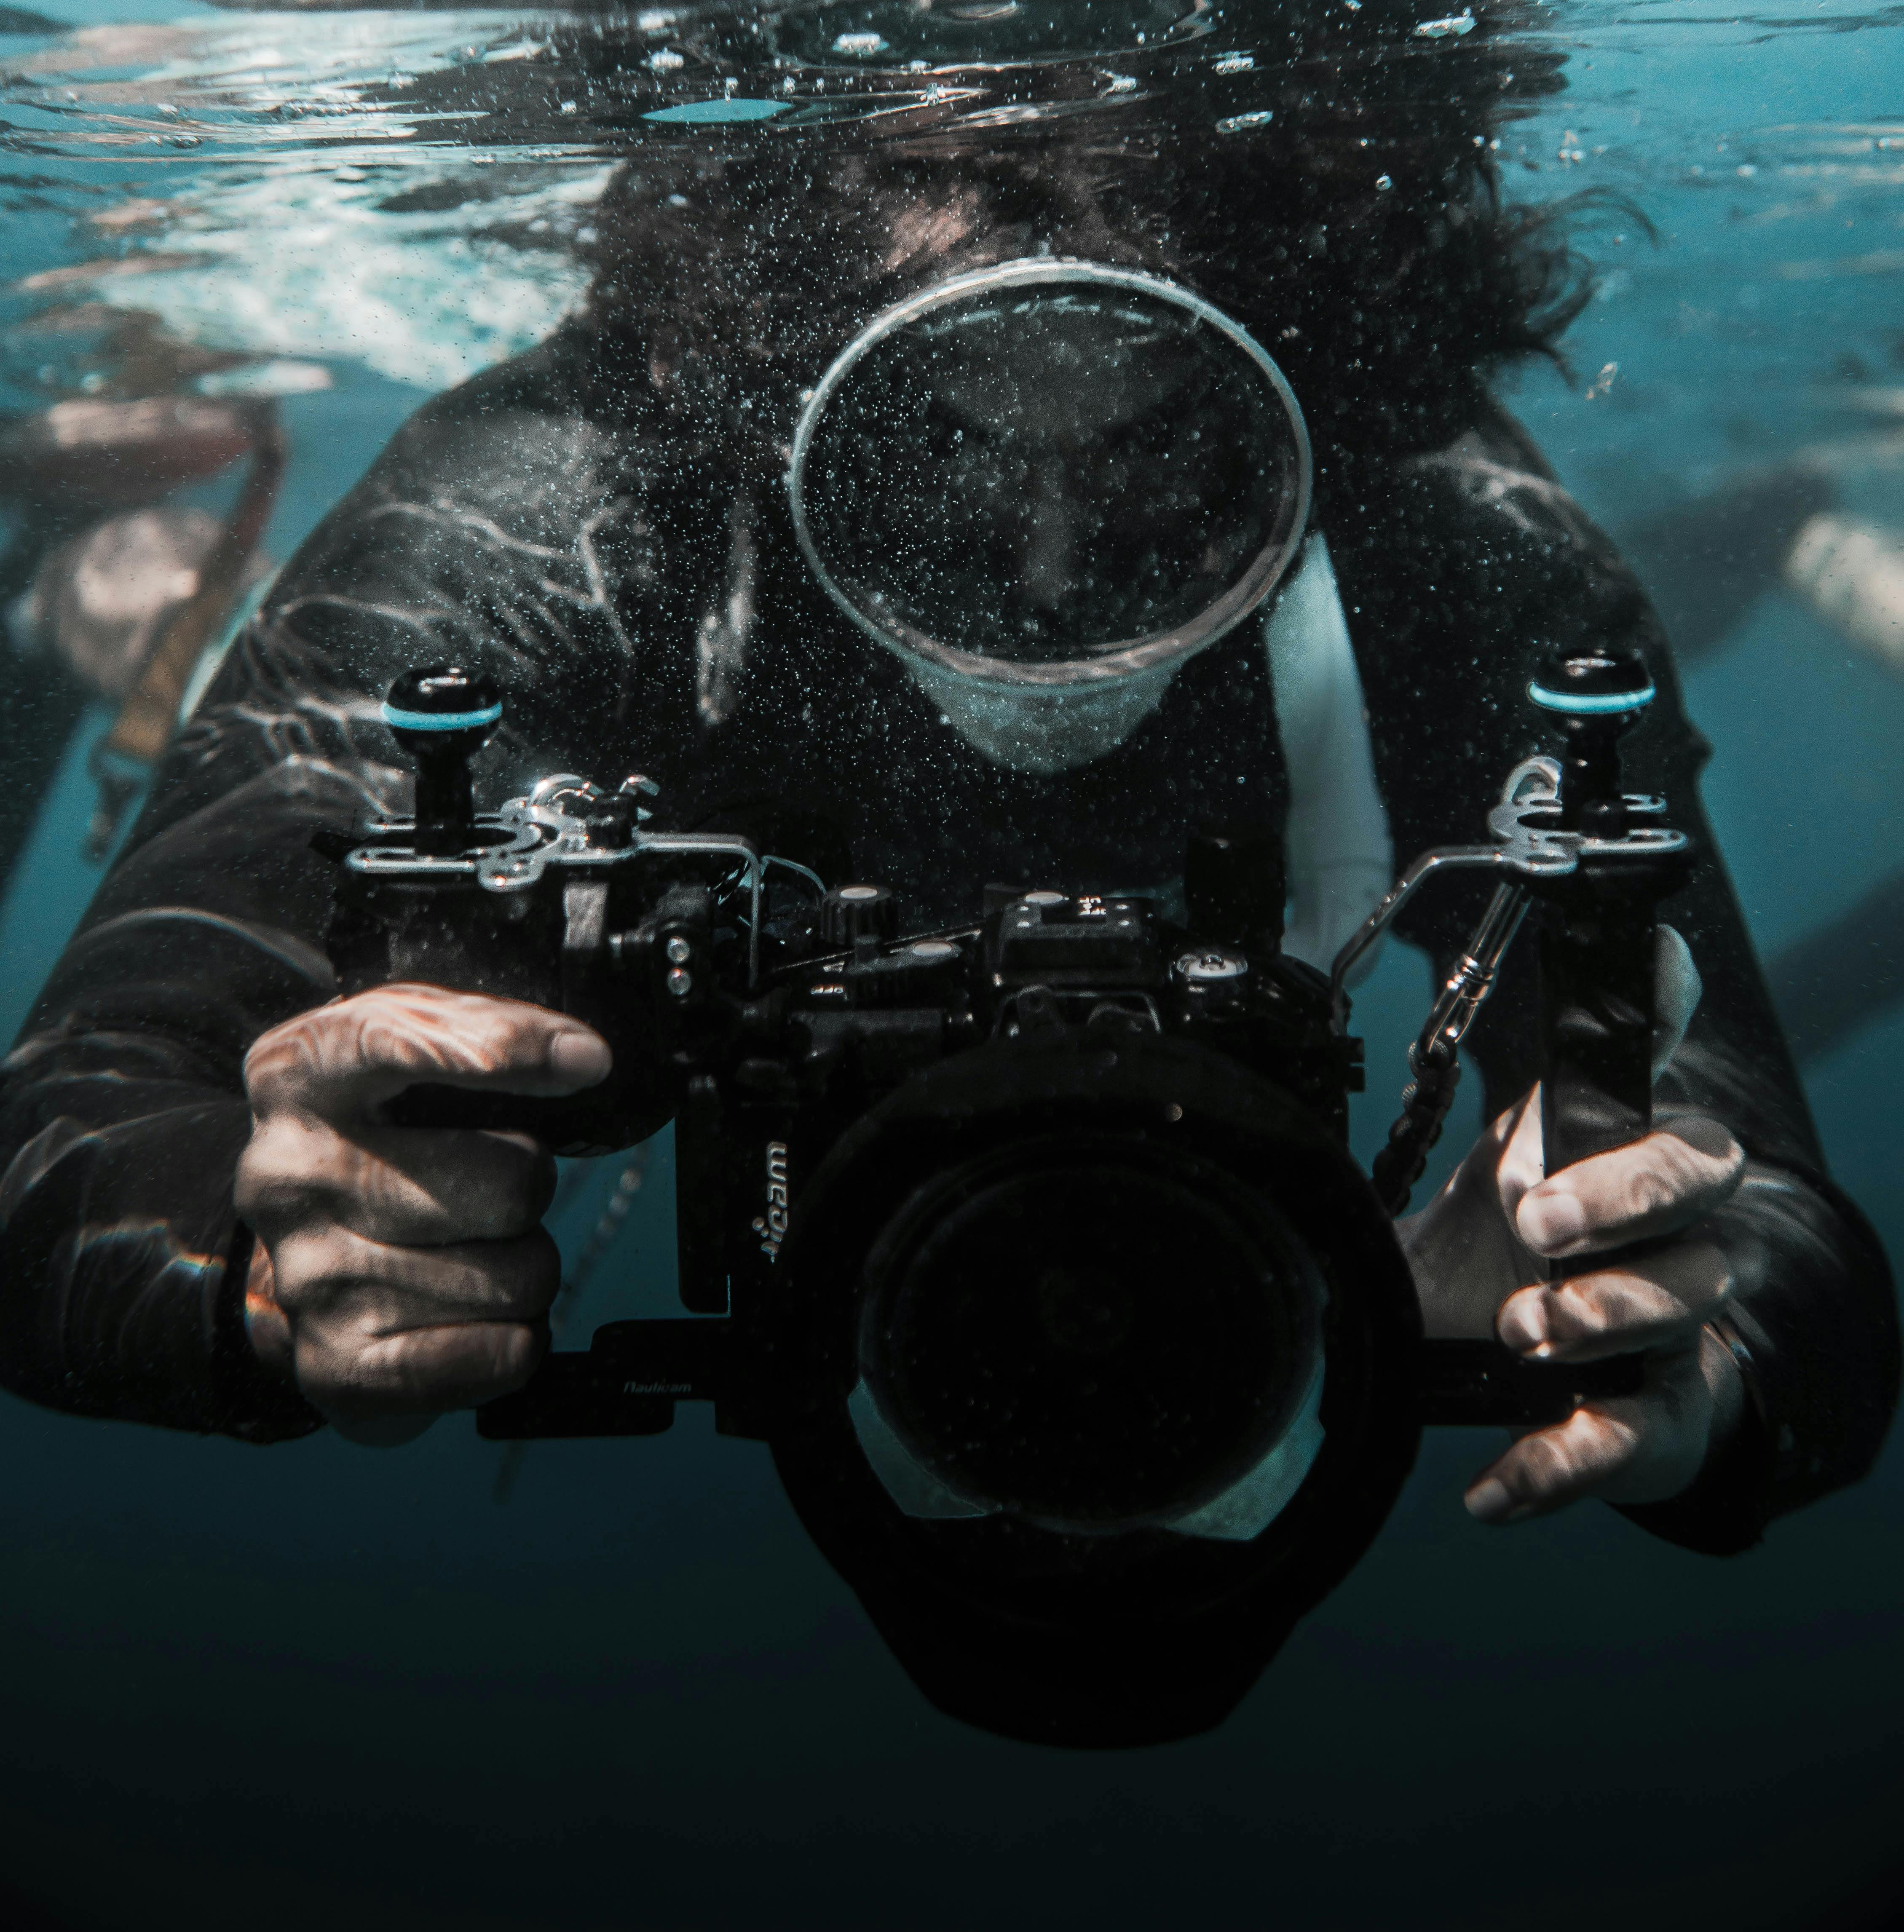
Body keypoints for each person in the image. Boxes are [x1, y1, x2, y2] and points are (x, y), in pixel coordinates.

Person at [0, 90, 1894, 1555]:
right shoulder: (556, 522)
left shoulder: (1447, 549)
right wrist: (260, 1258)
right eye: (939, 449)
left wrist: (1657, 1314)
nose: (1056, 579)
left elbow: (1768, 1201)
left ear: (1314, 394)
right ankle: (88, 599)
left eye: (1162, 445)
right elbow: (62, 1125)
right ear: (753, 398)